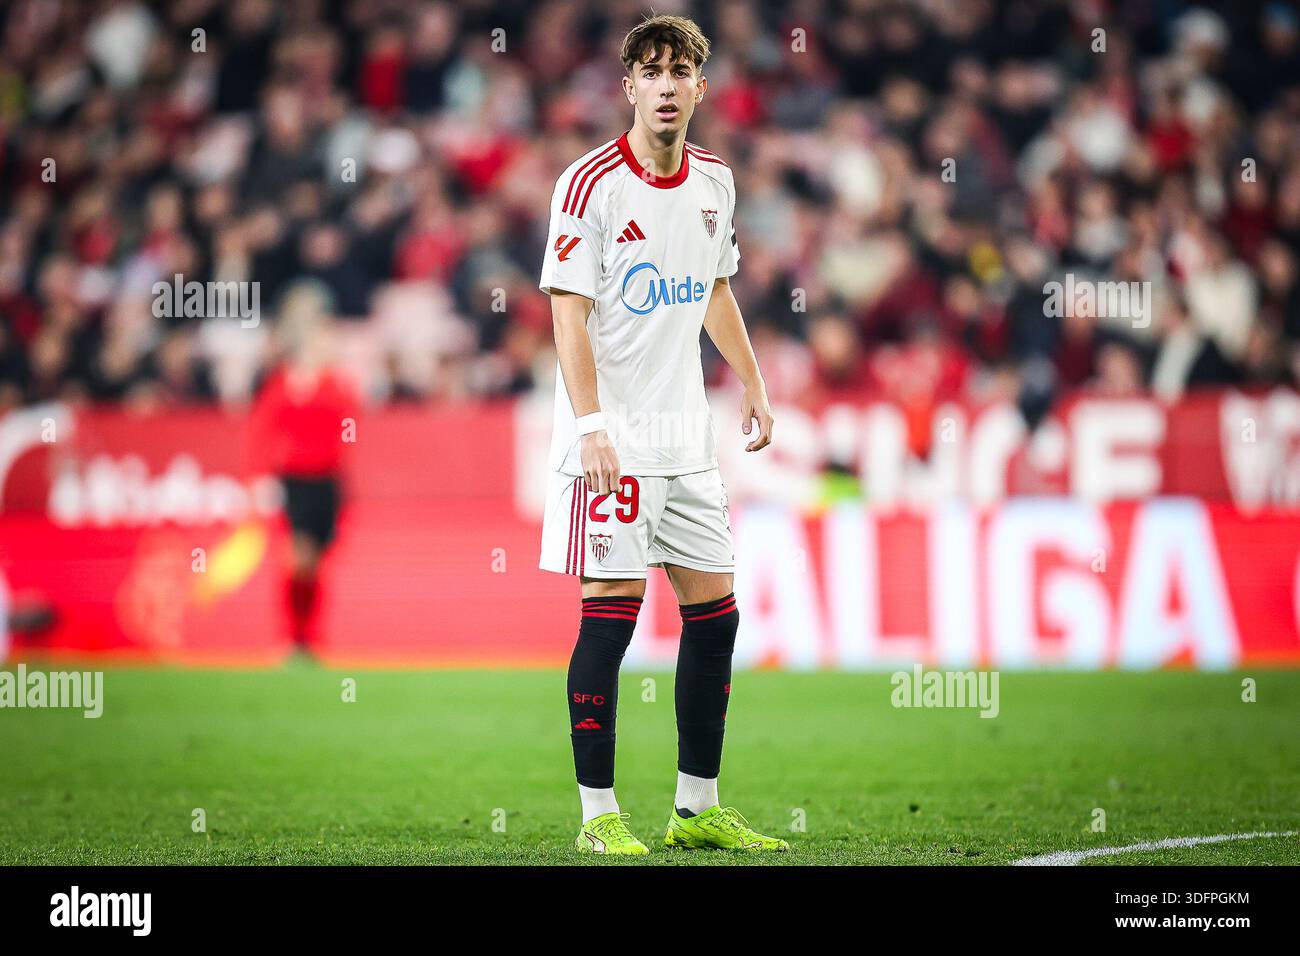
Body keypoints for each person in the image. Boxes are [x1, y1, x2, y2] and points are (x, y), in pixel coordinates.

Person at [537, 14, 785, 854]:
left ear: (701, 88)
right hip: (613, 440)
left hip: (686, 438)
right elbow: (567, 313)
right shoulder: (589, 185)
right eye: (652, 71)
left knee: (714, 619)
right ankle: (598, 819)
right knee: (611, 618)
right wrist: (593, 425)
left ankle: (696, 807)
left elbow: (716, 289)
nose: (668, 85)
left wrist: (751, 381)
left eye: (681, 71)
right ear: (629, 88)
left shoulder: (716, 182)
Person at [249, 287, 358, 660]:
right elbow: (262, 430)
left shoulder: (333, 384)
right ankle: (293, 636)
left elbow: (348, 421)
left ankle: (308, 636)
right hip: (294, 480)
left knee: (315, 564)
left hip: (326, 482)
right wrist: (261, 476)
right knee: (298, 557)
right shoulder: (281, 384)